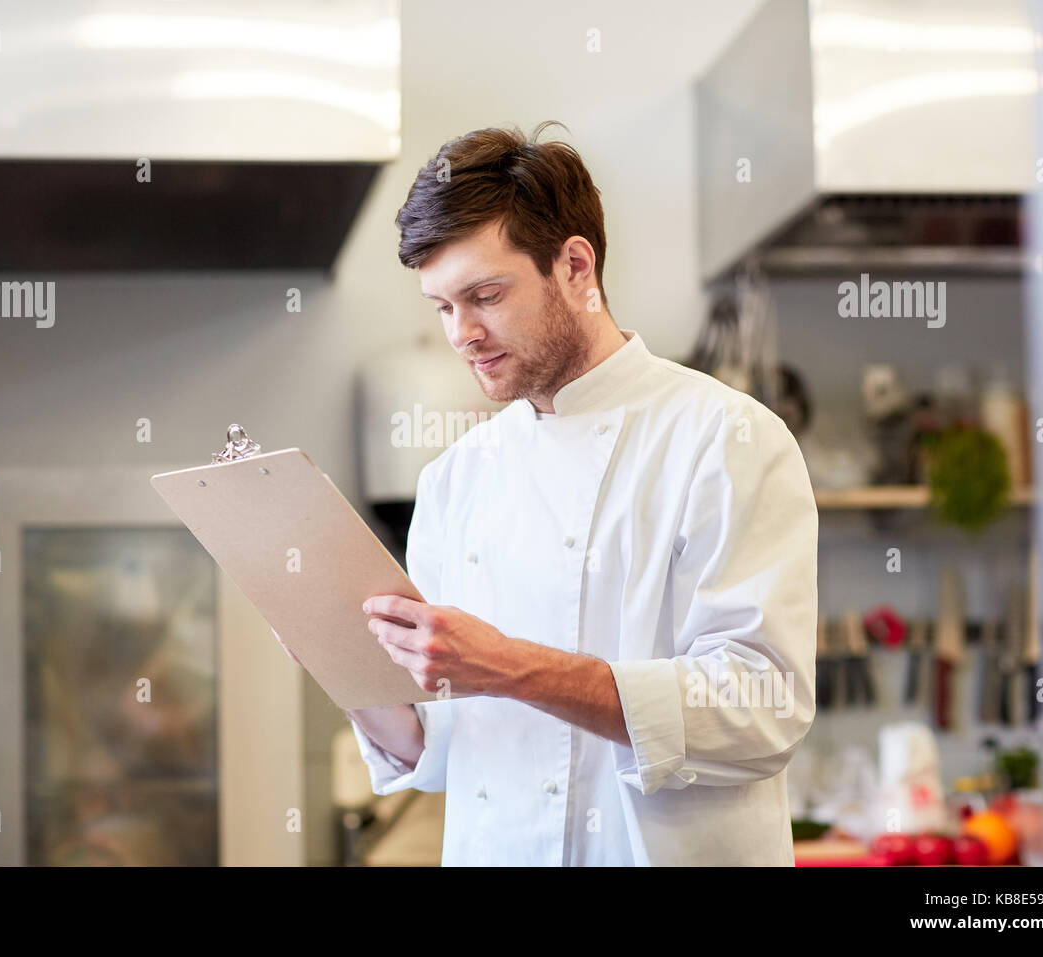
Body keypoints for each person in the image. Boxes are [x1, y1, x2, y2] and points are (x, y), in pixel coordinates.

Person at [280, 122, 818, 866]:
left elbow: (762, 708)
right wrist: (336, 656)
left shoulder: (725, 439)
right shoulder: (454, 479)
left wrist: (503, 663)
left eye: (485, 294)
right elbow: (434, 752)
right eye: (442, 306)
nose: (462, 333)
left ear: (574, 266)